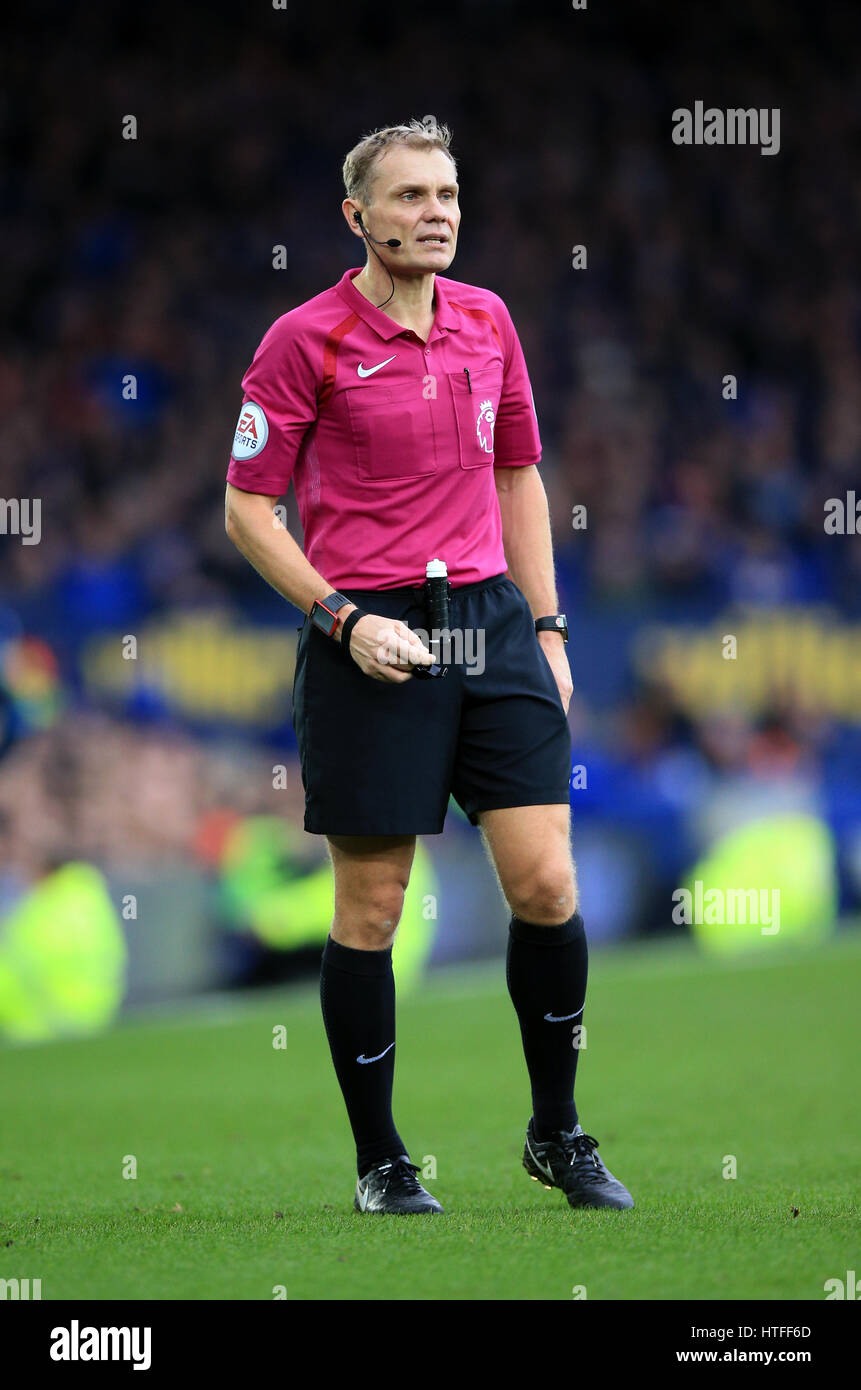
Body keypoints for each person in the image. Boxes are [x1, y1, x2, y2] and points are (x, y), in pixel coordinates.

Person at [224, 119, 633, 1215]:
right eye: (410, 196)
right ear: (357, 216)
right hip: (371, 633)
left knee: (546, 884)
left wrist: (548, 629)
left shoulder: (488, 320)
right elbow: (247, 510)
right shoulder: (302, 339)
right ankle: (382, 1161)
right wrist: (342, 619)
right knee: (374, 905)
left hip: (491, 624)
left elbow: (519, 476)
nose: (437, 213)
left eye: (447, 194)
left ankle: (557, 1131)